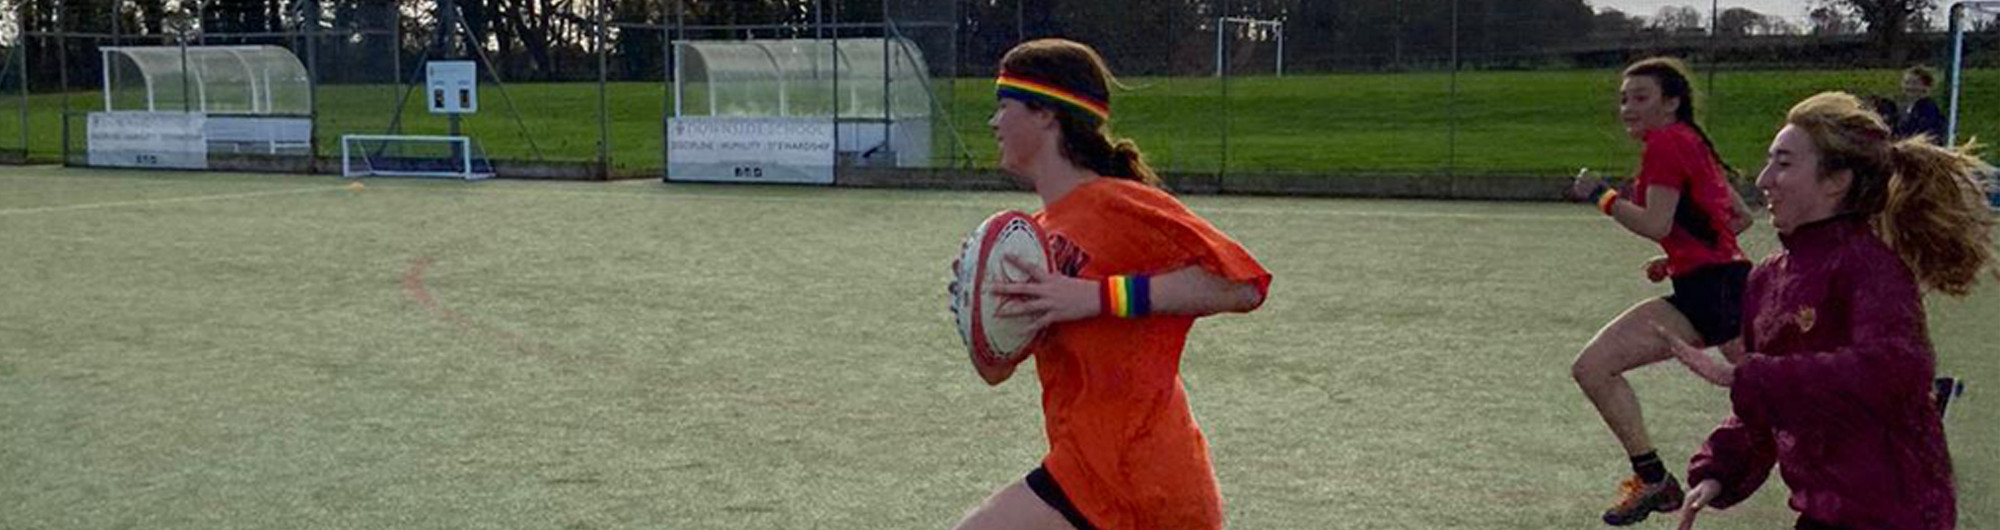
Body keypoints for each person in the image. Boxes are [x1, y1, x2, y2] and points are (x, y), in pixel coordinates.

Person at [947, 38, 1272, 530]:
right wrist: (976, 312)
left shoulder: (1120, 204)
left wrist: (1098, 297)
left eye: (1003, 106)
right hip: (1088, 471)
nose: (993, 123)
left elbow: (1242, 285)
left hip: (1144, 480)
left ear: (1045, 115)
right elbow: (995, 372)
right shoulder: (1035, 237)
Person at [1665, 91, 1992, 530]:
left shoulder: (1869, 266)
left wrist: (1750, 375)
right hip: (1823, 512)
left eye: (1783, 164)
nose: (1764, 179)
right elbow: (1769, 404)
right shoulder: (1767, 279)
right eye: (1769, 161)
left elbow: (1897, 368)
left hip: (1897, 514)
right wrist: (1717, 472)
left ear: (1836, 180)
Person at [1566, 57, 1755, 526]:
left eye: (1641, 98)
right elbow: (1736, 220)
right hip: (1712, 286)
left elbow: (1655, 222)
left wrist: (1601, 196)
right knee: (1593, 367)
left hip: (1712, 292)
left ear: (1671, 103)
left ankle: (1900, 409)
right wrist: (1678, 259)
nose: (1628, 107)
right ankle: (1654, 481)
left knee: (1779, 394)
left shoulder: (1667, 143)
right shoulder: (1691, 140)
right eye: (1624, 98)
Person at [1892, 66, 1949, 145]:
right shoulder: (1903, 108)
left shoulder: (1928, 109)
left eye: (1914, 83)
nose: (1909, 87)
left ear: (1925, 87)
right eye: (1906, 82)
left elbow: (1925, 134)